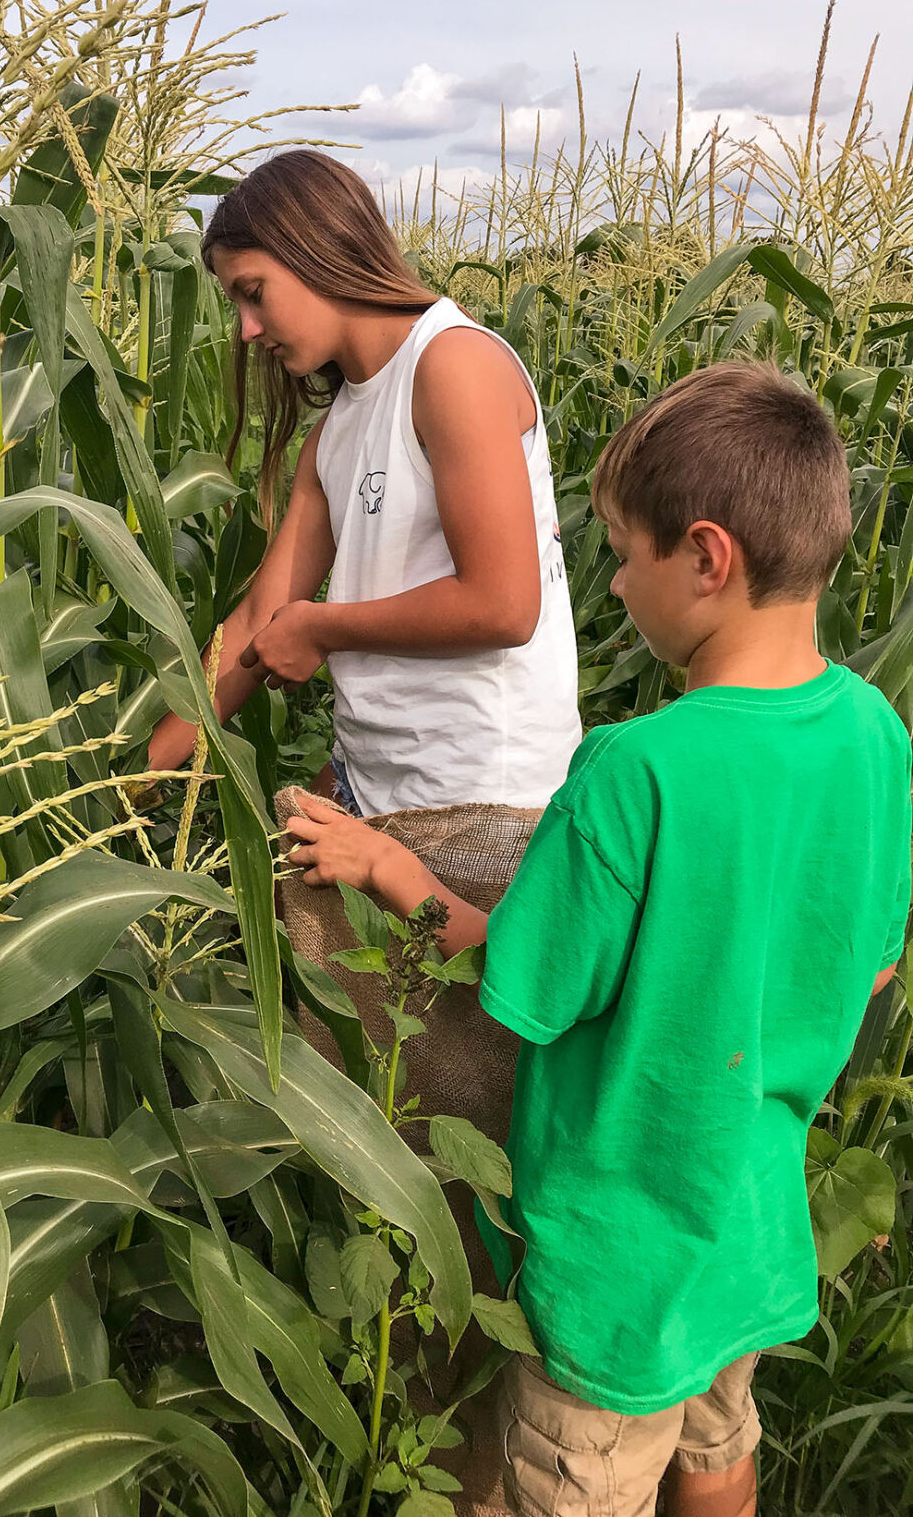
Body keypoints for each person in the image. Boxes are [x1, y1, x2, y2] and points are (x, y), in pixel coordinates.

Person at [283, 361, 912, 1517]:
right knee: (718, 1443)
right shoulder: (873, 732)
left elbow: (519, 978)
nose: (614, 583)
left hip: (619, 1248)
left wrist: (382, 866)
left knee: (572, 1484)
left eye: (621, 552)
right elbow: (870, 961)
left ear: (706, 557)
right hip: (747, 1219)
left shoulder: (634, 774)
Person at [147, 149, 580, 814]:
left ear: (316, 249)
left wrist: (321, 629)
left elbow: (503, 604)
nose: (246, 330)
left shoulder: (451, 365)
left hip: (480, 798)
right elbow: (261, 617)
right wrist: (127, 782)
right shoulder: (335, 430)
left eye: (253, 293)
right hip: (374, 779)